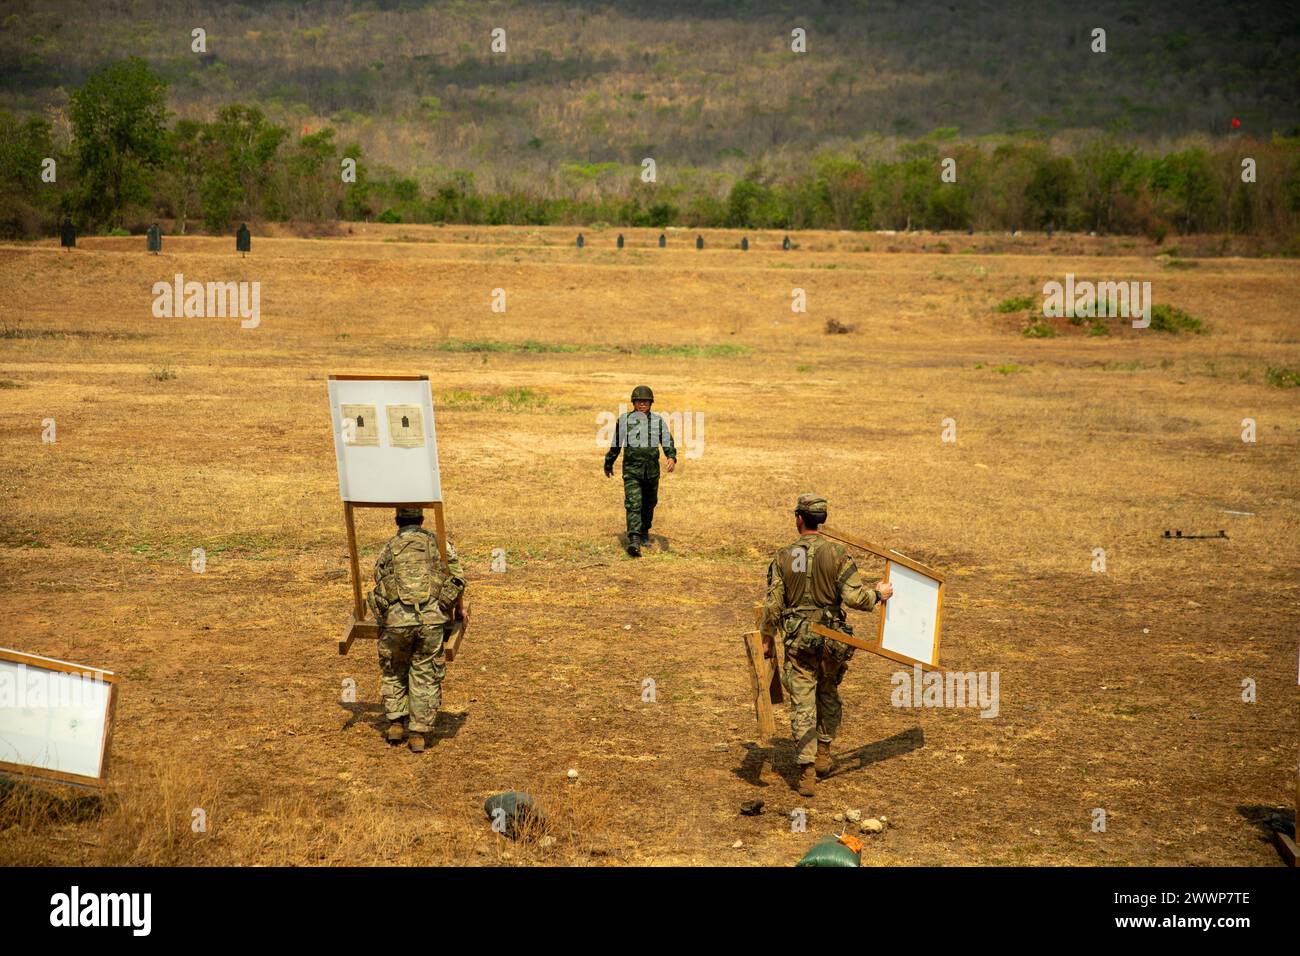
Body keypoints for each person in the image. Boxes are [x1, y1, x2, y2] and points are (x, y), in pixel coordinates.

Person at [761, 494, 893, 796]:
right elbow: (855, 598)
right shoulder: (837, 554)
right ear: (822, 520)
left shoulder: (783, 557)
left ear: (799, 519)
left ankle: (807, 771)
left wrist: (767, 637)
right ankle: (823, 754)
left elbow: (772, 606)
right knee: (829, 693)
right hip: (832, 641)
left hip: (797, 641)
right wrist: (879, 593)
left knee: (803, 701)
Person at [367, 507, 466, 752]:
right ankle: (418, 733)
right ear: (421, 520)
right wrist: (459, 611)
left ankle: (395, 724)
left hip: (395, 620)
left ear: (396, 521)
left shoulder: (389, 547)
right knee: (425, 671)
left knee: (394, 668)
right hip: (431, 619)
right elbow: (457, 578)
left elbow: (378, 576)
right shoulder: (439, 543)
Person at [603, 385, 676, 557]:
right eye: (639, 401)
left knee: (649, 503)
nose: (642, 404)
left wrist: (671, 456)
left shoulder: (658, 421)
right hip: (632, 471)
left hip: (651, 472)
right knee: (634, 504)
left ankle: (644, 532)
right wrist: (609, 462)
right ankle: (634, 540)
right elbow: (616, 444)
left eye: (645, 401)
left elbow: (666, 440)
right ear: (633, 403)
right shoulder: (624, 420)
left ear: (650, 403)